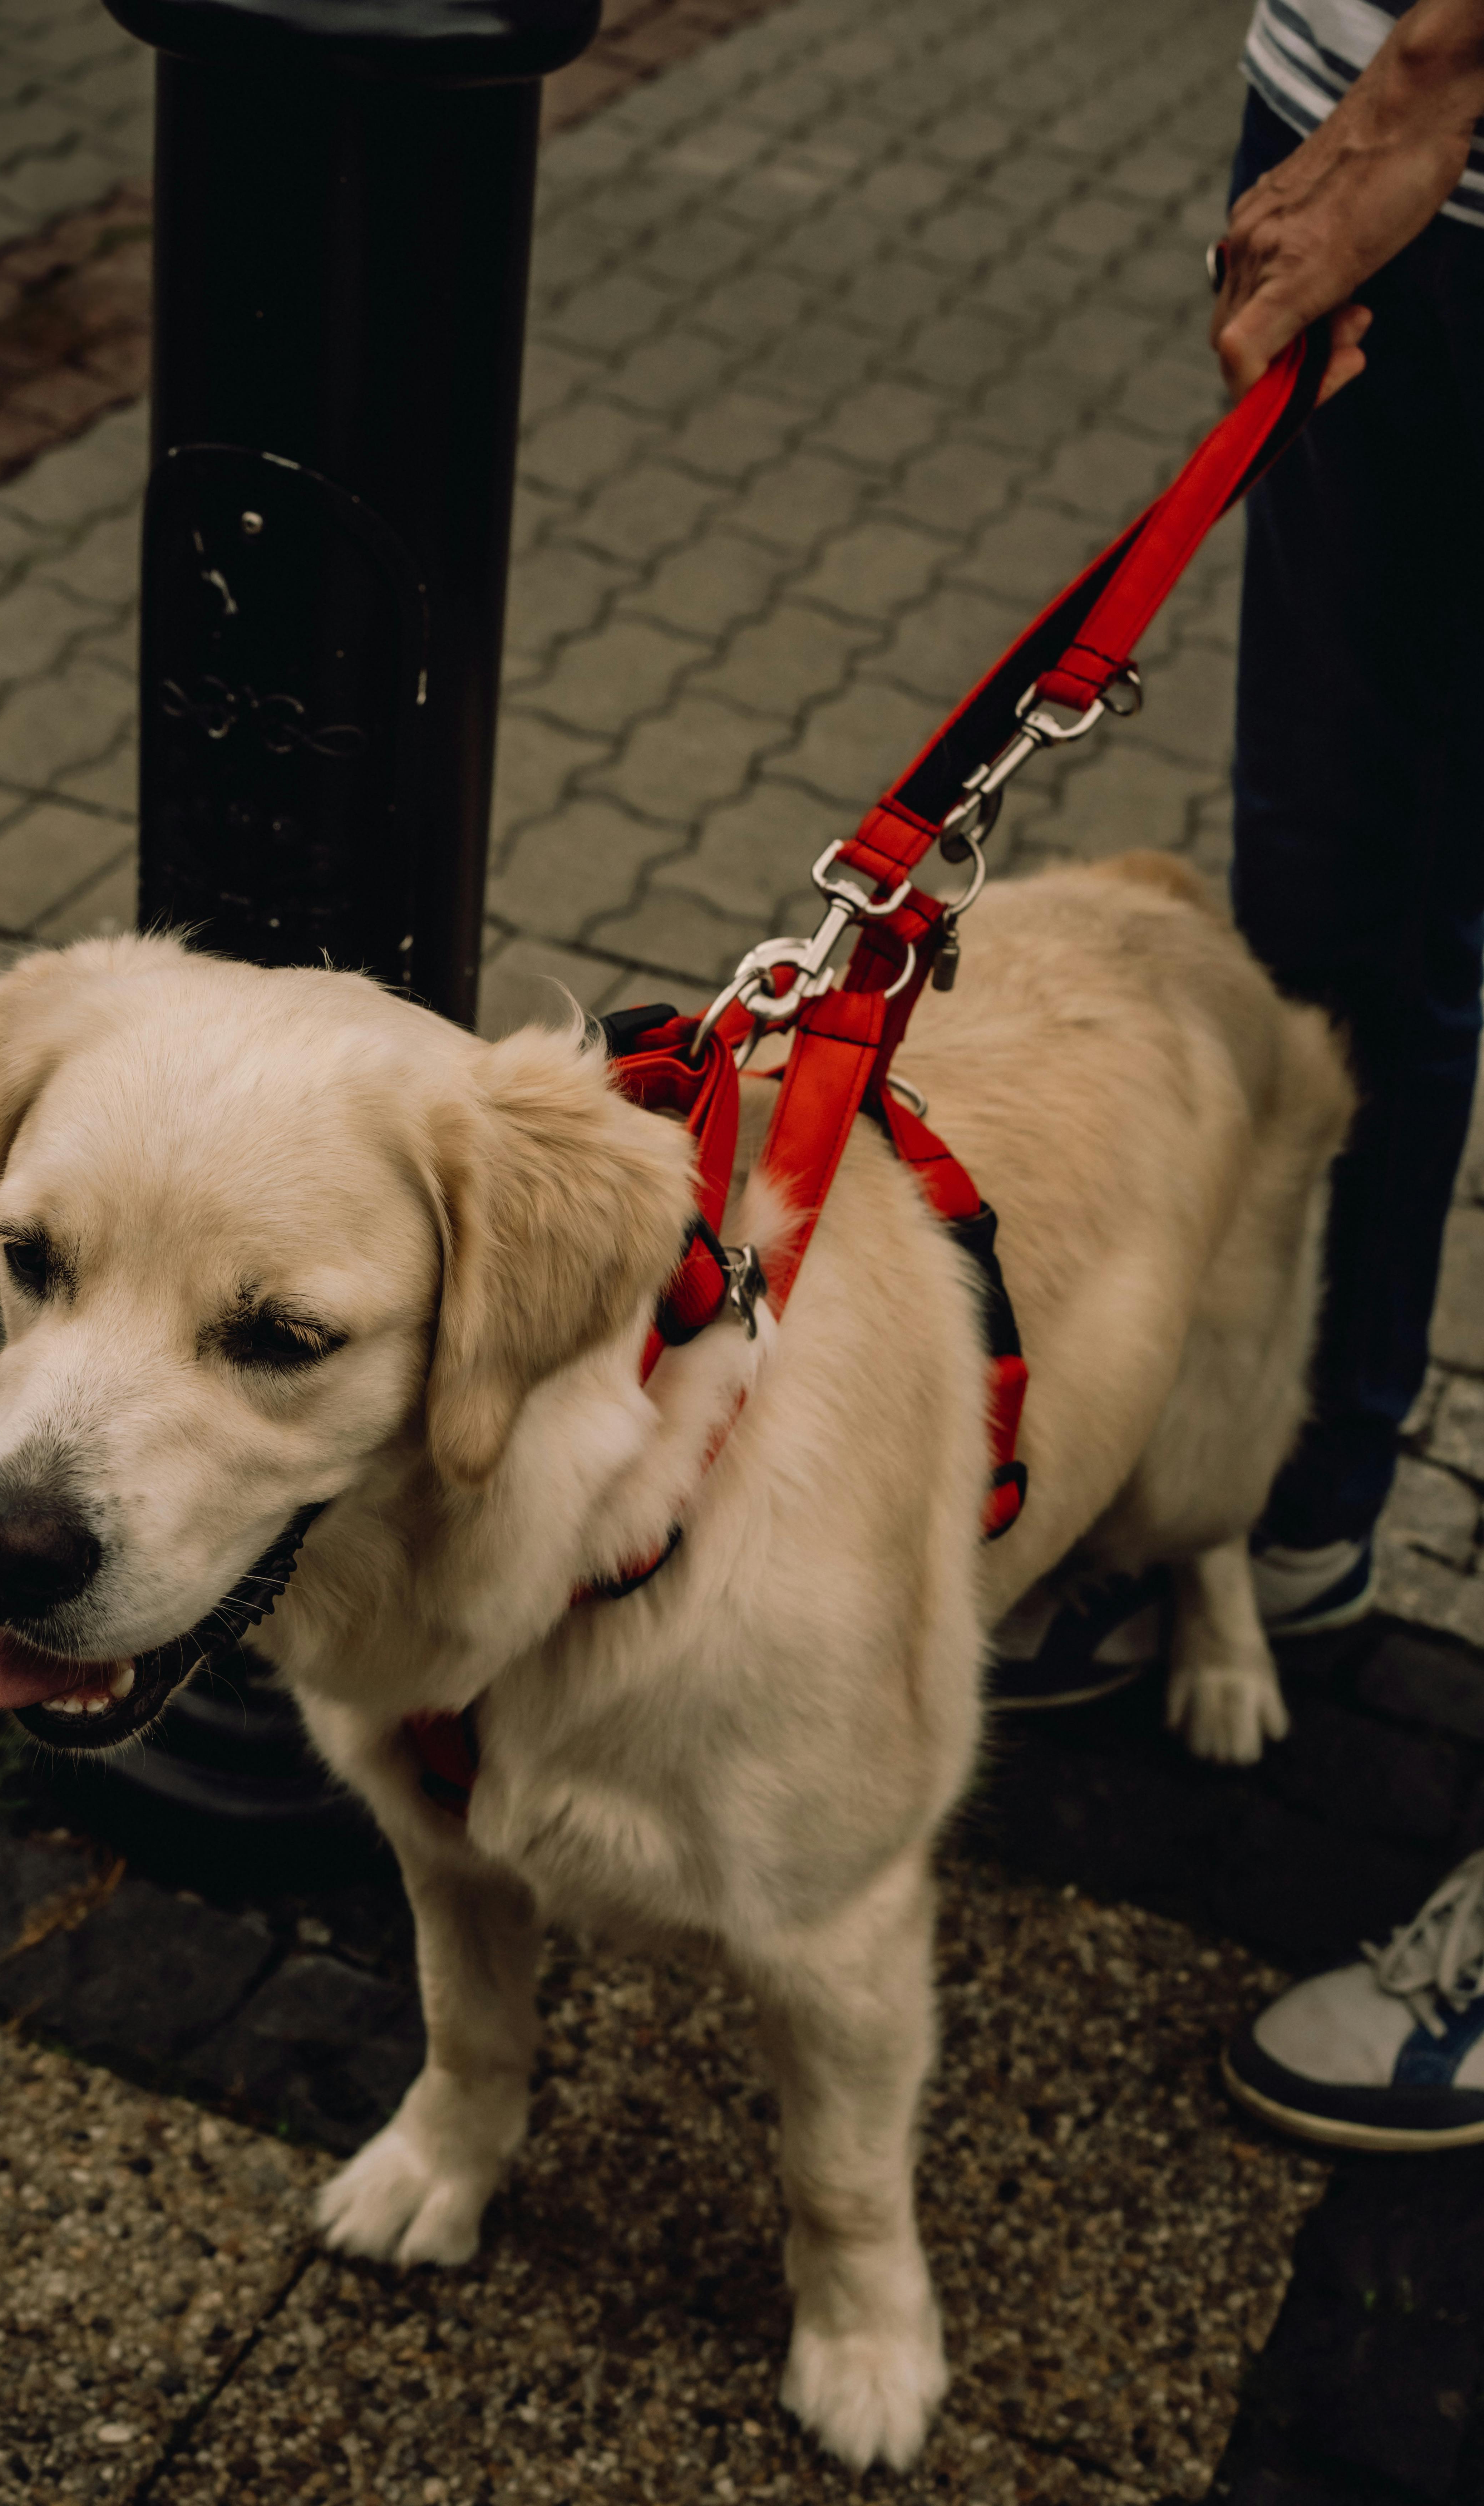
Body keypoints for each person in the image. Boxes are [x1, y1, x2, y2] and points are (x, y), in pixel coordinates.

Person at [1216, 0, 1484, 2148]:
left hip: (1423, 113)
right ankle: (1278, 1505)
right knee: (1337, 916)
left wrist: (1444, 76)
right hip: (1365, 113)